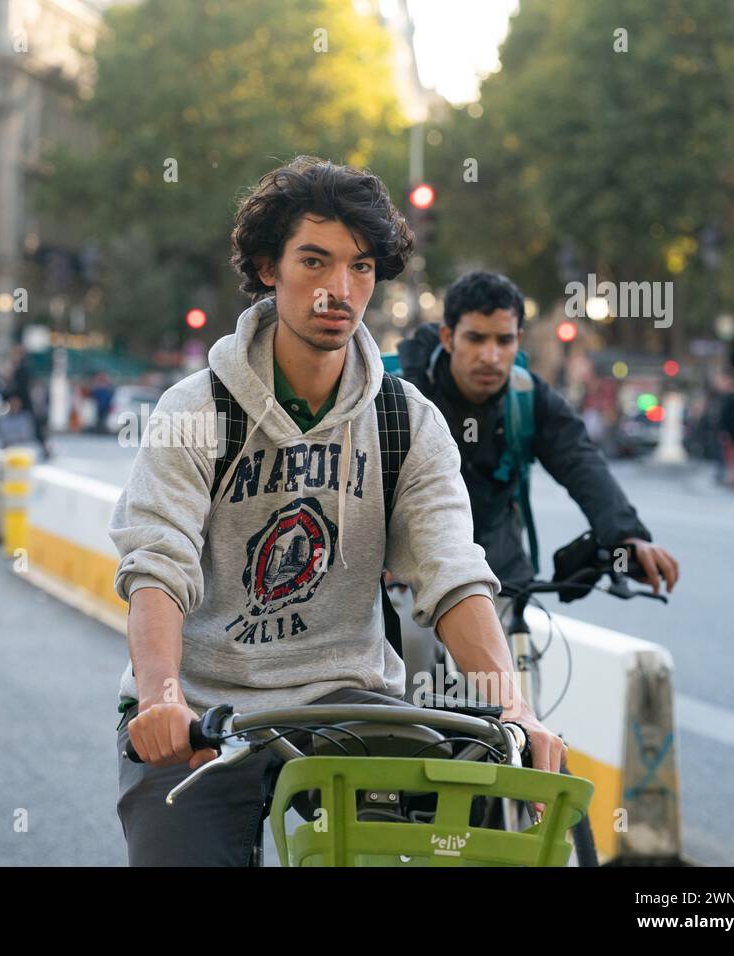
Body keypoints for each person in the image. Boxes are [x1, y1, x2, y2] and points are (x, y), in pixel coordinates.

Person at [110, 156, 559, 866]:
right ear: (267, 268)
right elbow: (157, 566)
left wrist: (516, 708)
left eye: (360, 267)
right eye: (315, 262)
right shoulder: (196, 411)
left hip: (349, 707)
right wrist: (161, 697)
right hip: (202, 713)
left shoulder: (404, 422)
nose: (338, 290)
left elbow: (451, 573)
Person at [395, 271, 679, 596]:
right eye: (476, 338)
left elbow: (580, 460)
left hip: (499, 575)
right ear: (448, 338)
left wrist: (627, 537)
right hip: (413, 576)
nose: (490, 356)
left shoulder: (528, 395)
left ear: (518, 339)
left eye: (504, 340)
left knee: (515, 645)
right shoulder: (404, 396)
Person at [3, 343, 53, 458]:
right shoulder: (17, 367)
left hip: (23, 403)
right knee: (25, 426)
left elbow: (20, 387)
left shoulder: (23, 369)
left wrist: (14, 399)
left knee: (30, 426)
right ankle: (6, 445)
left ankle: (46, 447)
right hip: (22, 403)